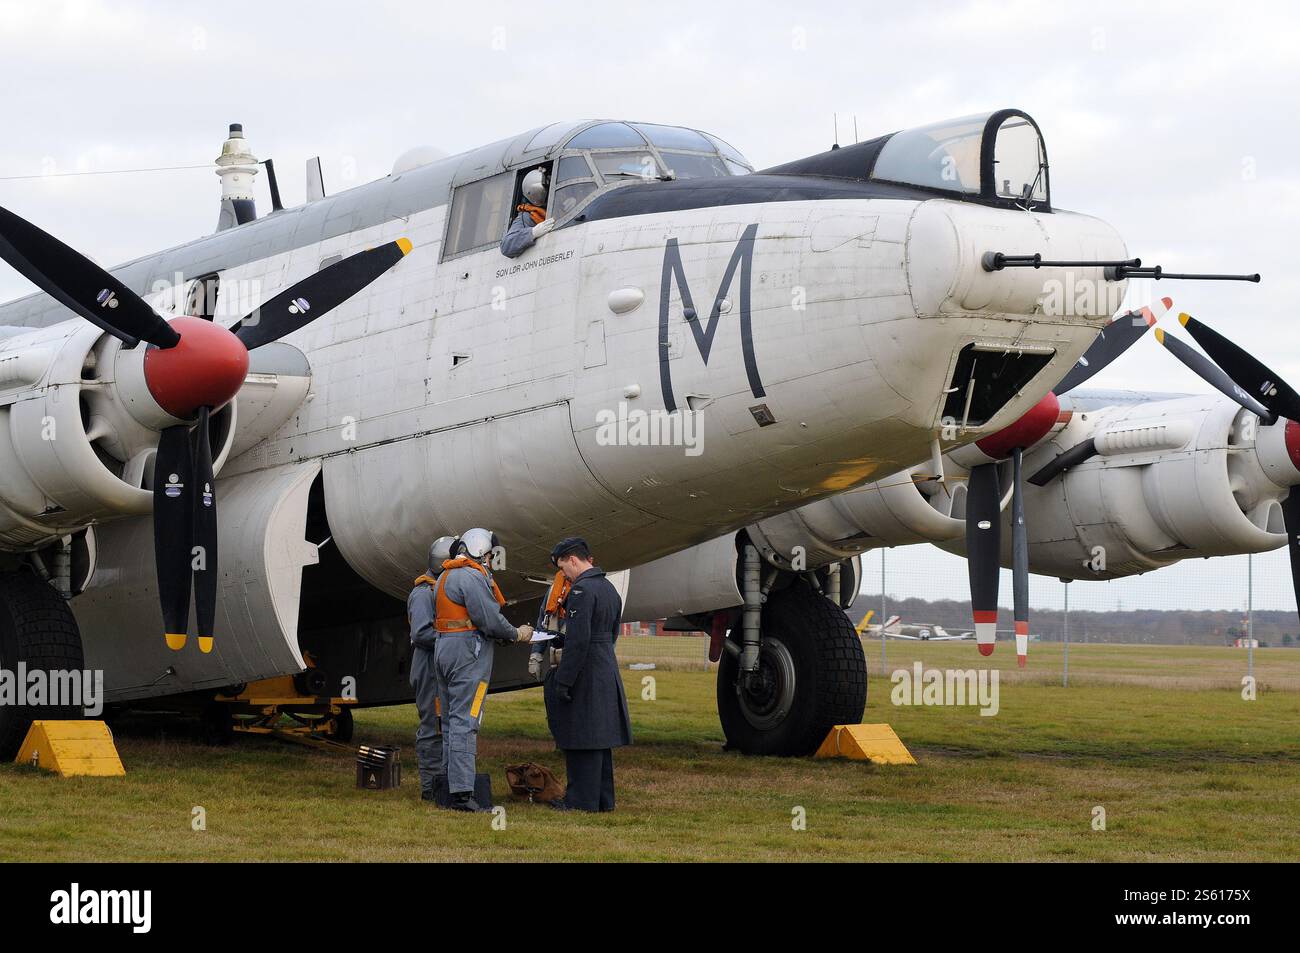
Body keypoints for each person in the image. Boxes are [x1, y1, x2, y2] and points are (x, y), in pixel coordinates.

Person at [432, 527, 533, 811]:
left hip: (444, 650)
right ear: (479, 549)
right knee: (466, 721)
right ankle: (463, 794)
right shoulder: (472, 577)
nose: (490, 559)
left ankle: (447, 789)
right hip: (467, 656)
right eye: (488, 554)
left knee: (451, 722)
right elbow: (489, 619)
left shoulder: (444, 577)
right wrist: (517, 634)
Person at [543, 537, 632, 812]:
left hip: (585, 668)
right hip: (605, 663)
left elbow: (578, 641)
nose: (563, 575)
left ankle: (580, 800)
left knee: (580, 734)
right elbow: (612, 632)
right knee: (600, 738)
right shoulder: (608, 589)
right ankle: (603, 799)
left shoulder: (581, 591)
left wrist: (564, 680)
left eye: (563, 568)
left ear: (573, 560)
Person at [407, 535, 457, 802]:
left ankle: (447, 782)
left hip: (441, 664)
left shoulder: (442, 588)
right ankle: (430, 787)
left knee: (448, 725)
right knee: (433, 727)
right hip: (429, 667)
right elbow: (422, 633)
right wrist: (459, 638)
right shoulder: (424, 593)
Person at [499, 167, 557, 258]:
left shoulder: (555, 206)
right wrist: (533, 232)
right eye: (547, 187)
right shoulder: (526, 217)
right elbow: (506, 247)